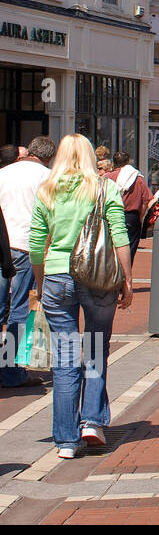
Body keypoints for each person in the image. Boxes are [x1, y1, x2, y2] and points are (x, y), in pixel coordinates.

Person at [29, 135, 133, 457]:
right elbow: (119, 233)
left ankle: (65, 440)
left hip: (58, 277)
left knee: (64, 360)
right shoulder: (104, 188)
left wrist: (40, 279)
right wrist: (127, 279)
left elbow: (36, 243)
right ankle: (91, 421)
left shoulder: (47, 190)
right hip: (98, 277)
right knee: (95, 348)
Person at [0, 136, 55, 388]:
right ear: (48, 157)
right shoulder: (47, 177)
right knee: (20, 307)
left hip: (3, 243)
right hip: (26, 245)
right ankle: (11, 370)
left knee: (2, 307)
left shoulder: (5, 172)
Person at [105, 151, 151, 263]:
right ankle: (125, 275)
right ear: (127, 162)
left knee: (109, 249)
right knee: (129, 250)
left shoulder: (107, 178)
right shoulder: (137, 178)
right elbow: (146, 200)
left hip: (109, 216)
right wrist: (141, 216)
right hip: (131, 217)